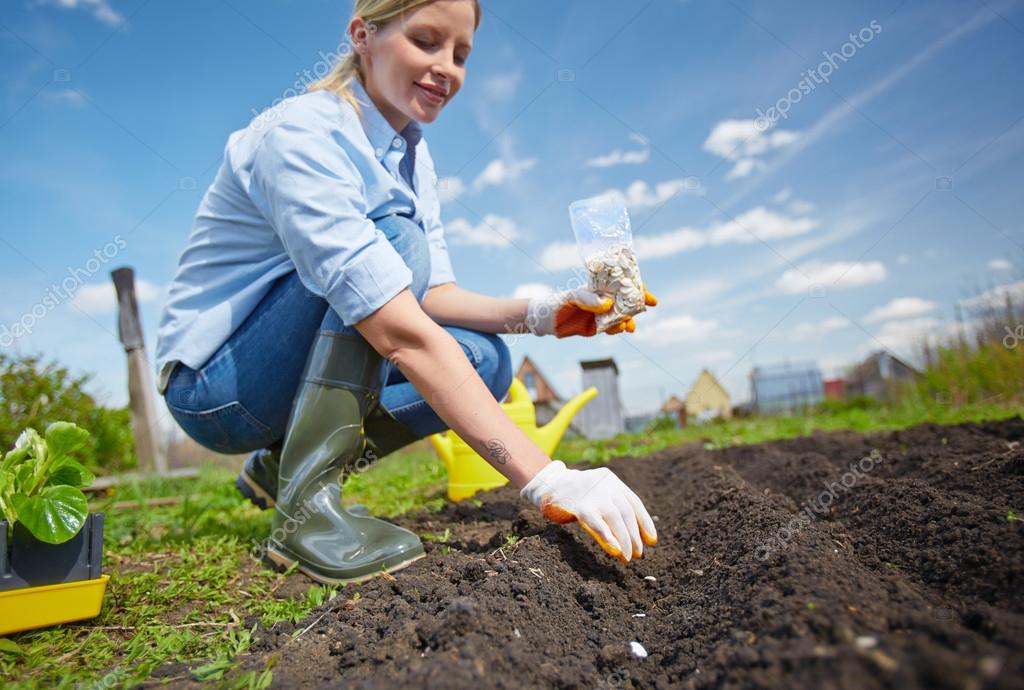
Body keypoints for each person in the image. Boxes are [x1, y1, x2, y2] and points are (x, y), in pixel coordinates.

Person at [155, 0, 659, 585]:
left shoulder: (411, 157)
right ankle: (306, 517)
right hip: (218, 389)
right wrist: (546, 477)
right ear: (362, 35)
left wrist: (545, 313)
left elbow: (433, 293)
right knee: (396, 240)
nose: (447, 67)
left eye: (461, 53)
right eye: (426, 40)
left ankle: (277, 470)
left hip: (280, 370)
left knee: (486, 359)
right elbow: (397, 326)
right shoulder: (301, 134)